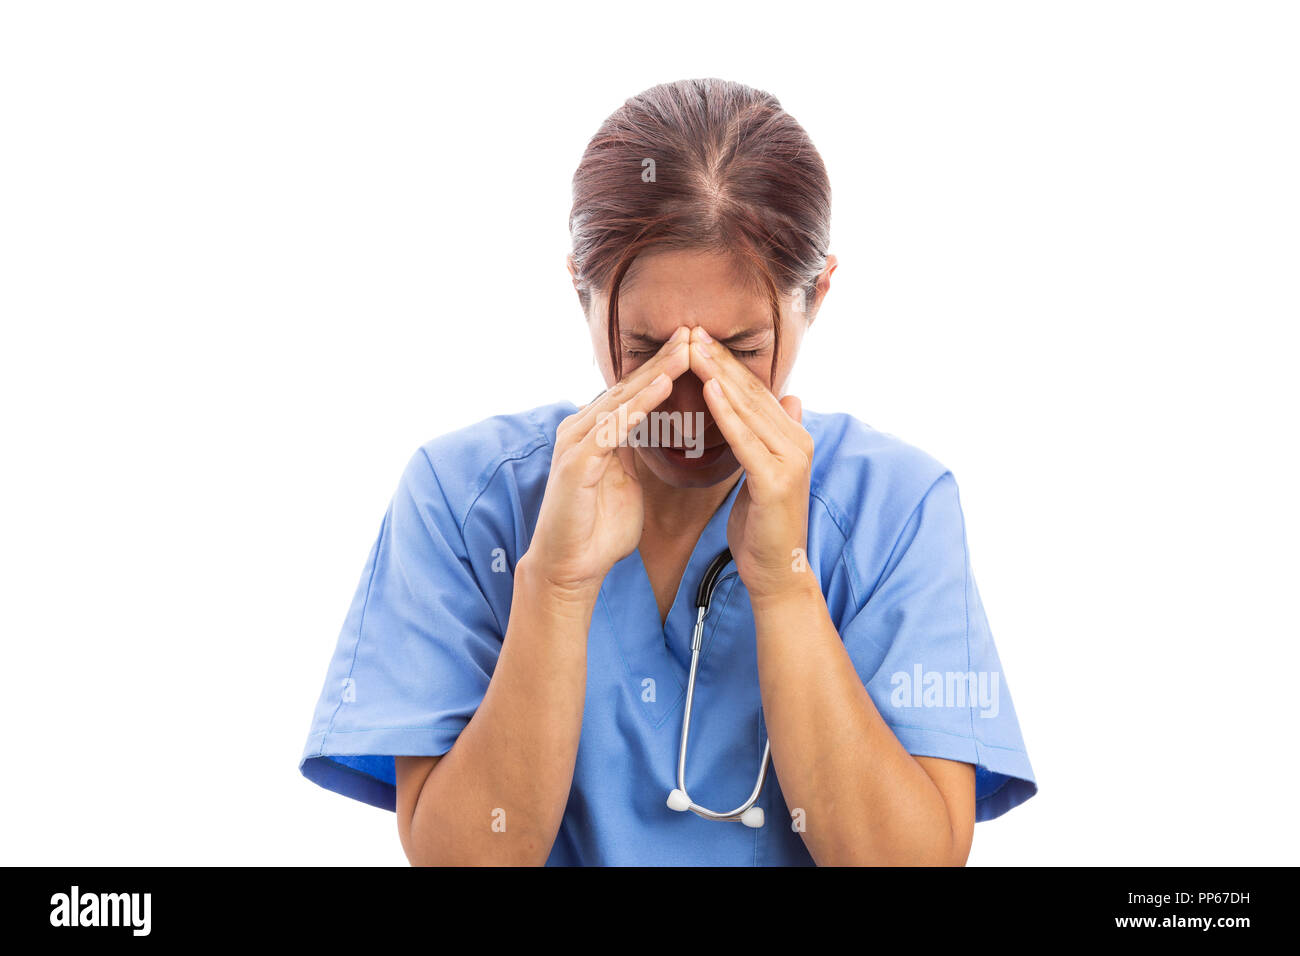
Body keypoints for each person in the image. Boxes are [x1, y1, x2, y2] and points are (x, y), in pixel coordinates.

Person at [298, 78, 1037, 866]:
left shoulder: (897, 507)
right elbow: (466, 860)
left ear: (815, 296)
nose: (691, 395)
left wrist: (786, 586)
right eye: (648, 350)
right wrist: (555, 587)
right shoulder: (462, 498)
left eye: (741, 350)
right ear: (581, 291)